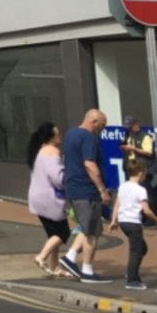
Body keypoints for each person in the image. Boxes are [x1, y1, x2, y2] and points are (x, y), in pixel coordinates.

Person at [57, 108, 114, 283]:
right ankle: (87, 271)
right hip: (87, 190)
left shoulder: (70, 134)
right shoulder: (89, 138)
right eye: (102, 126)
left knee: (87, 227)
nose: (102, 130)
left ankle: (70, 258)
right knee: (93, 232)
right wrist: (102, 189)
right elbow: (89, 164)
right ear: (93, 121)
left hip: (74, 188)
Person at [26, 121, 69, 277]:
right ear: (51, 137)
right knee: (64, 233)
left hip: (37, 198)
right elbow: (57, 178)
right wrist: (68, 177)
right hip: (49, 198)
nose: (61, 137)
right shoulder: (52, 151)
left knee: (53, 234)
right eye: (58, 134)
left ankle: (54, 267)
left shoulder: (39, 150)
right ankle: (41, 256)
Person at [112, 160, 157, 291]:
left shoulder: (123, 186)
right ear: (140, 173)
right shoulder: (141, 190)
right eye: (145, 173)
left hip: (123, 222)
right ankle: (132, 279)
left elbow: (117, 204)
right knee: (136, 251)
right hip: (134, 223)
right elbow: (146, 210)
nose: (145, 175)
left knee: (142, 248)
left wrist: (113, 221)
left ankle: (132, 273)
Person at [120, 114, 157, 222]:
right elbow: (124, 145)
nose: (128, 128)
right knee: (133, 192)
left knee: (146, 192)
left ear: (136, 124)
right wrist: (125, 148)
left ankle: (151, 219)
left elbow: (148, 152)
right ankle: (139, 217)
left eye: (130, 125)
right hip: (132, 166)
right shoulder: (128, 134)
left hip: (143, 169)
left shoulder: (145, 136)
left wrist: (133, 148)